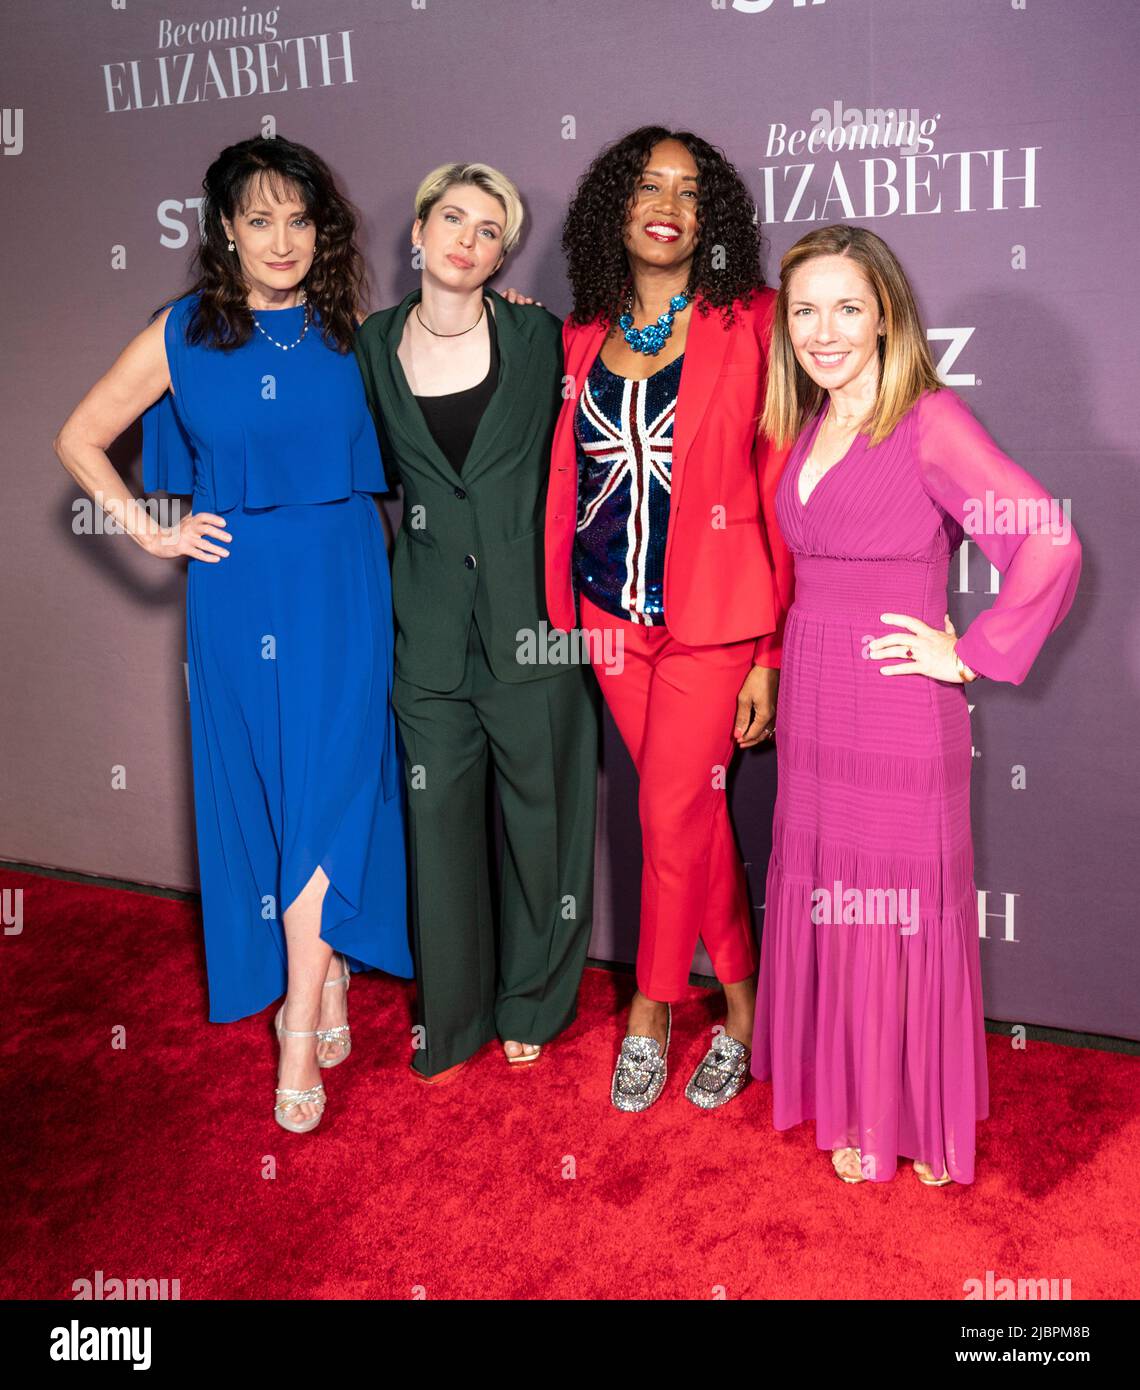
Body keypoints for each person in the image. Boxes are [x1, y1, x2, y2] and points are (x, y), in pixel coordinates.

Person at [53, 136, 413, 1134]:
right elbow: (80, 435)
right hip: (237, 592)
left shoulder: (354, 330)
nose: (282, 239)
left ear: (321, 229)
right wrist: (149, 527)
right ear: (224, 231)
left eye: (299, 218)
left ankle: (299, 1018)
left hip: (344, 584)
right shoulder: (181, 334)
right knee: (272, 793)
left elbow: (454, 367)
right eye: (259, 220)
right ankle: (325, 968)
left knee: (332, 787)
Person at [752, 223, 1082, 1184]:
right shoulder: (810, 421)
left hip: (896, 706)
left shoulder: (931, 421)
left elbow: (1049, 542)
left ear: (887, 314)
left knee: (891, 909)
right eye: (805, 310)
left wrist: (972, 652)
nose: (824, 330)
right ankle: (852, 1095)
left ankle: (908, 1113)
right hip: (816, 699)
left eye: (847, 307)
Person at [544, 126, 793, 1111]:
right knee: (692, 819)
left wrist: (770, 650)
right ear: (616, 206)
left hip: (714, 623)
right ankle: (746, 1004)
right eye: (648, 183)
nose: (669, 200)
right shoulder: (573, 339)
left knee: (664, 812)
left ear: (710, 220)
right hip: (608, 621)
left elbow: (778, 489)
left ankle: (650, 1006)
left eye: (691, 191)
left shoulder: (753, 322)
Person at [354, 163, 601, 1083]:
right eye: (451, 218)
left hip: (537, 627)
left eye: (489, 229)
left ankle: (534, 1000)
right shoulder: (370, 346)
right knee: (439, 830)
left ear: (503, 255)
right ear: (417, 233)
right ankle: (451, 1020)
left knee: (548, 829)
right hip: (424, 632)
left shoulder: (542, 336)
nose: (466, 237)